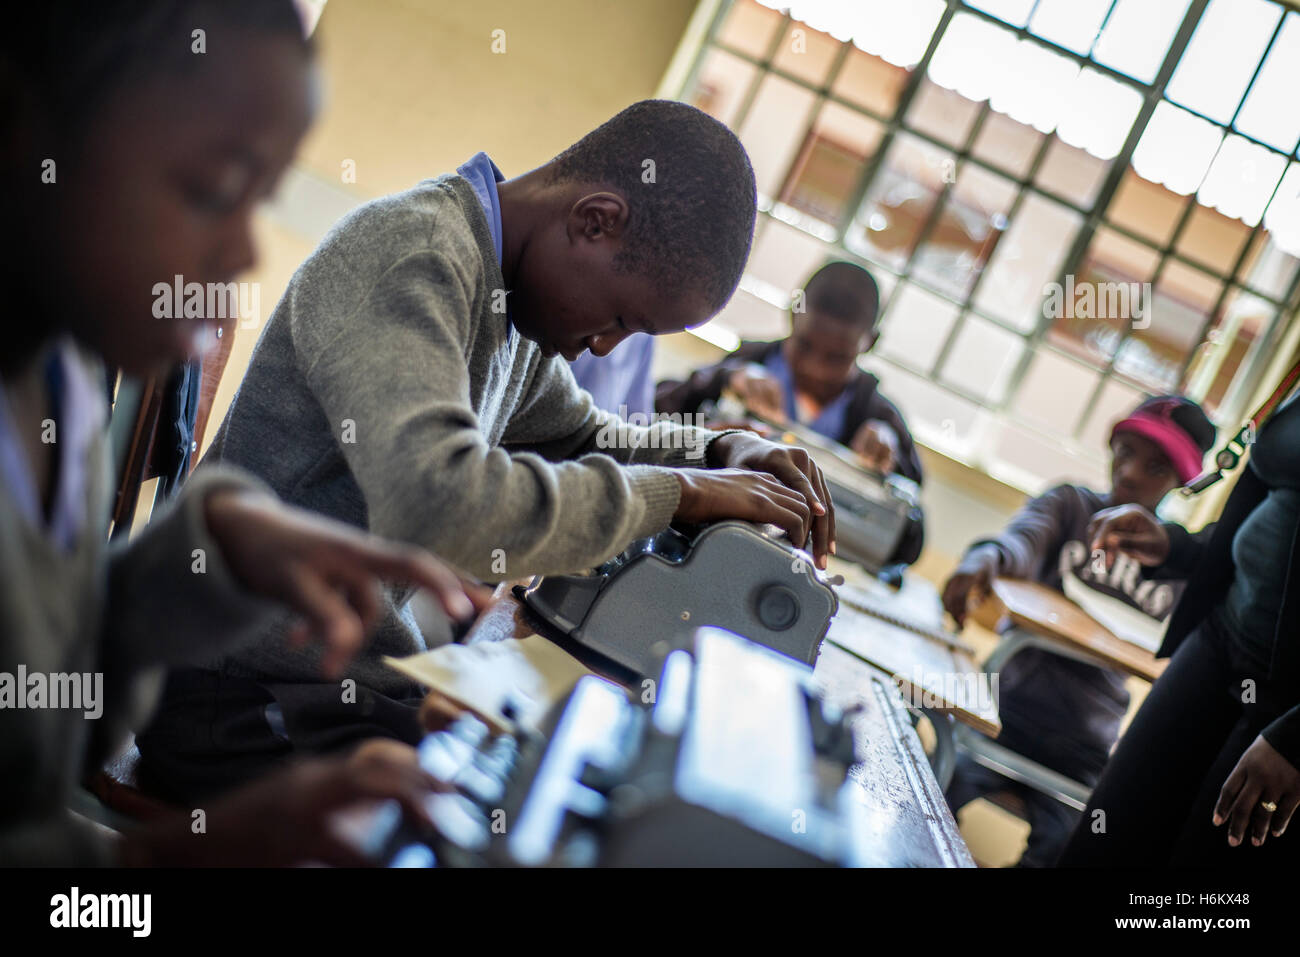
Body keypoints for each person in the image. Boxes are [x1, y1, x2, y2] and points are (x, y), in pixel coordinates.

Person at [138, 99, 837, 798]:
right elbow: (439, 500)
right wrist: (679, 494)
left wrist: (721, 449)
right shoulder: (414, 257)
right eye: (621, 319)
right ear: (595, 220)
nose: (603, 346)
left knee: (562, 773)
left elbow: (589, 437)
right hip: (235, 701)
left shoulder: (504, 300)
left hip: (332, 687)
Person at [0, 0, 489, 866]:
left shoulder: (61, 372)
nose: (245, 256)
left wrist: (206, 553)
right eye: (212, 190)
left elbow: (43, 728)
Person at [940, 396, 1215, 867]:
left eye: (1154, 468)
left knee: (1073, 846)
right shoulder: (1070, 507)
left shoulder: (1180, 565)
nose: (1129, 473)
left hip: (1084, 744)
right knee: (936, 786)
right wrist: (983, 558)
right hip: (1001, 710)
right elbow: (1019, 540)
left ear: (1181, 483)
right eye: (1125, 453)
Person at [1059, 380, 1300, 866]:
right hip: (1219, 640)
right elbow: (1272, 510)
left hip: (1284, 703)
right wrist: (1177, 547)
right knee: (1103, 840)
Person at [655, 260, 922, 483]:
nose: (814, 369)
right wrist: (724, 379)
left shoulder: (878, 416)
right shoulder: (746, 365)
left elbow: (911, 521)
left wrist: (892, 453)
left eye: (837, 358)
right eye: (804, 346)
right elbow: (654, 411)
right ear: (793, 314)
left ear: (870, 343)